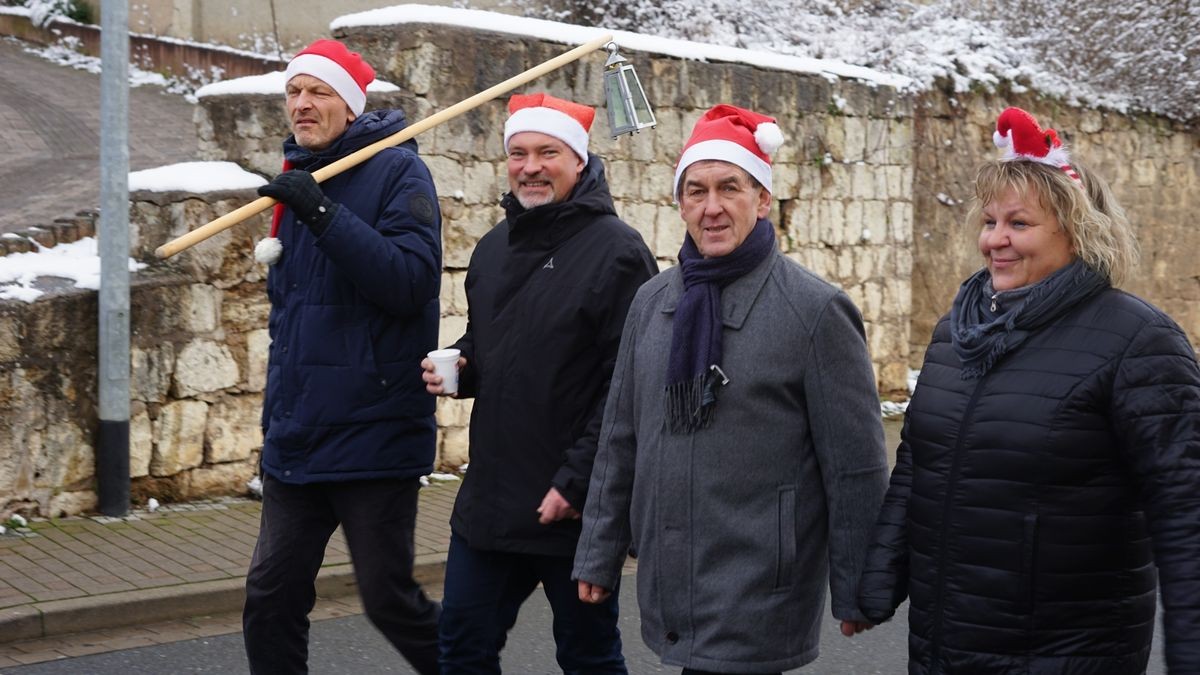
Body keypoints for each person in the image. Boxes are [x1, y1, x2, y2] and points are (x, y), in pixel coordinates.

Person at [856, 107, 1200, 673]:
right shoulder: (957, 333)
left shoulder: (1138, 341)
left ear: (1077, 230)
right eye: (990, 222)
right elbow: (920, 464)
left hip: (1066, 650)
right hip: (944, 641)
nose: (996, 240)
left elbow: (1184, 508)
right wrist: (878, 582)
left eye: (1019, 223)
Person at [572, 103, 891, 674]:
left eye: (730, 188)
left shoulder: (815, 311)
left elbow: (854, 467)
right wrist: (599, 552)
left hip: (762, 584)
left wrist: (859, 585)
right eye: (696, 191)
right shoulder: (652, 302)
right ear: (680, 203)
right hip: (671, 577)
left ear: (763, 199)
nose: (711, 207)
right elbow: (619, 439)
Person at [422, 92, 657, 674]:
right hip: (491, 499)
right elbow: (490, 341)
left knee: (588, 658)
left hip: (570, 508)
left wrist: (576, 482)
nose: (530, 167)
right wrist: (462, 365)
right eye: (518, 153)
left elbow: (629, 386)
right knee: (461, 650)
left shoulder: (619, 252)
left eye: (547, 152)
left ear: (578, 160)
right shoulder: (494, 247)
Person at [242, 39, 442, 675]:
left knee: (388, 600)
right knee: (270, 599)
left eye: (318, 91)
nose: (302, 103)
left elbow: (409, 282)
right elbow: (293, 320)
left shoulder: (398, 171)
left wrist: (322, 212)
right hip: (298, 437)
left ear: (351, 105)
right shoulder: (298, 177)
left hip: (372, 434)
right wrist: (277, 419)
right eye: (294, 91)